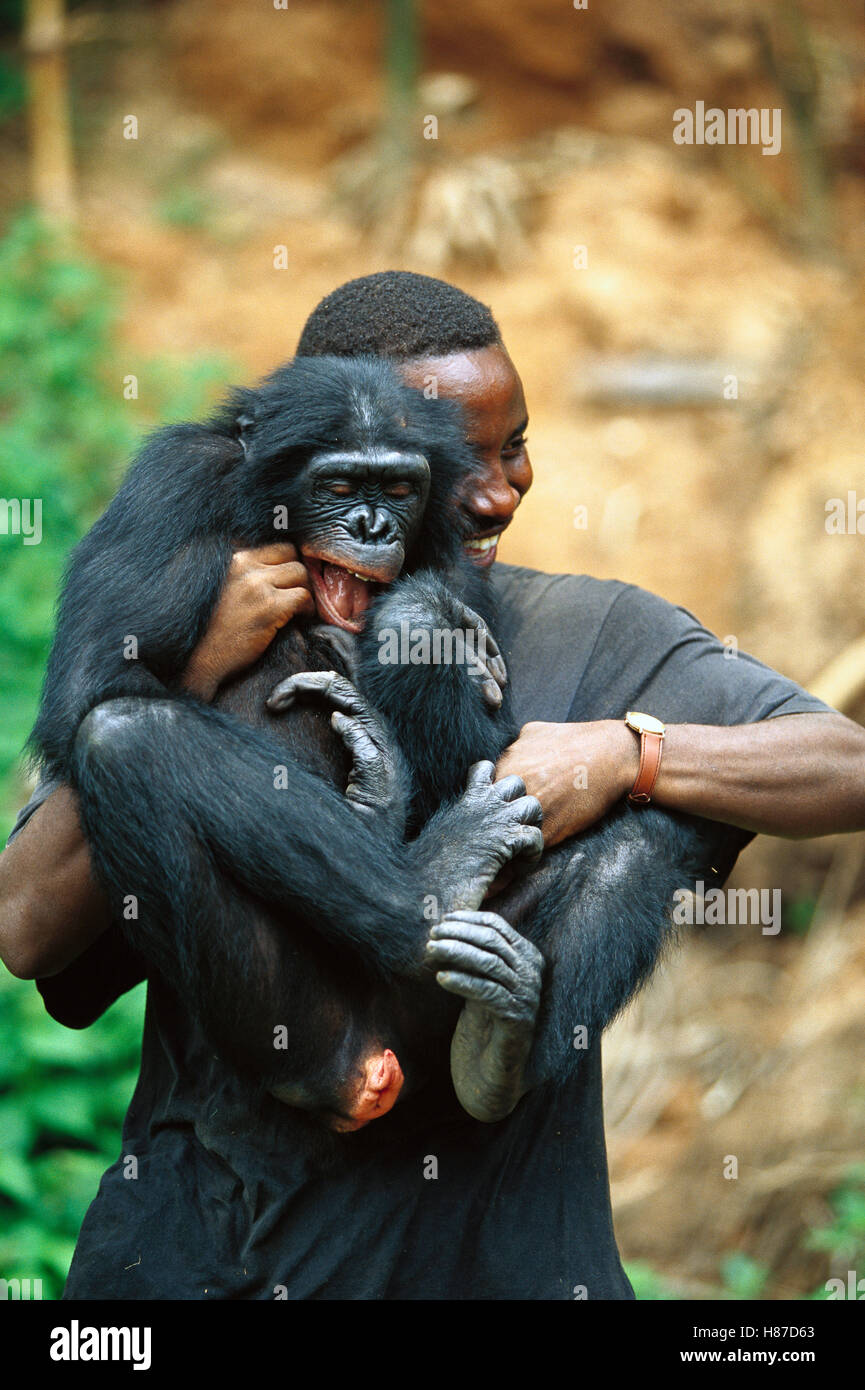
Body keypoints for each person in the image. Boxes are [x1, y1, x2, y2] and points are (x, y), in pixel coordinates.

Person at [1, 272, 863, 1300]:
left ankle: (494, 1026)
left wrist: (631, 755)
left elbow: (844, 767)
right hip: (205, 1254)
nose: (499, 490)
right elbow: (29, 927)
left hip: (496, 1269)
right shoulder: (212, 601)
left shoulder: (592, 634)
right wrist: (187, 665)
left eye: (514, 446)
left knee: (647, 837)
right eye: (468, 450)